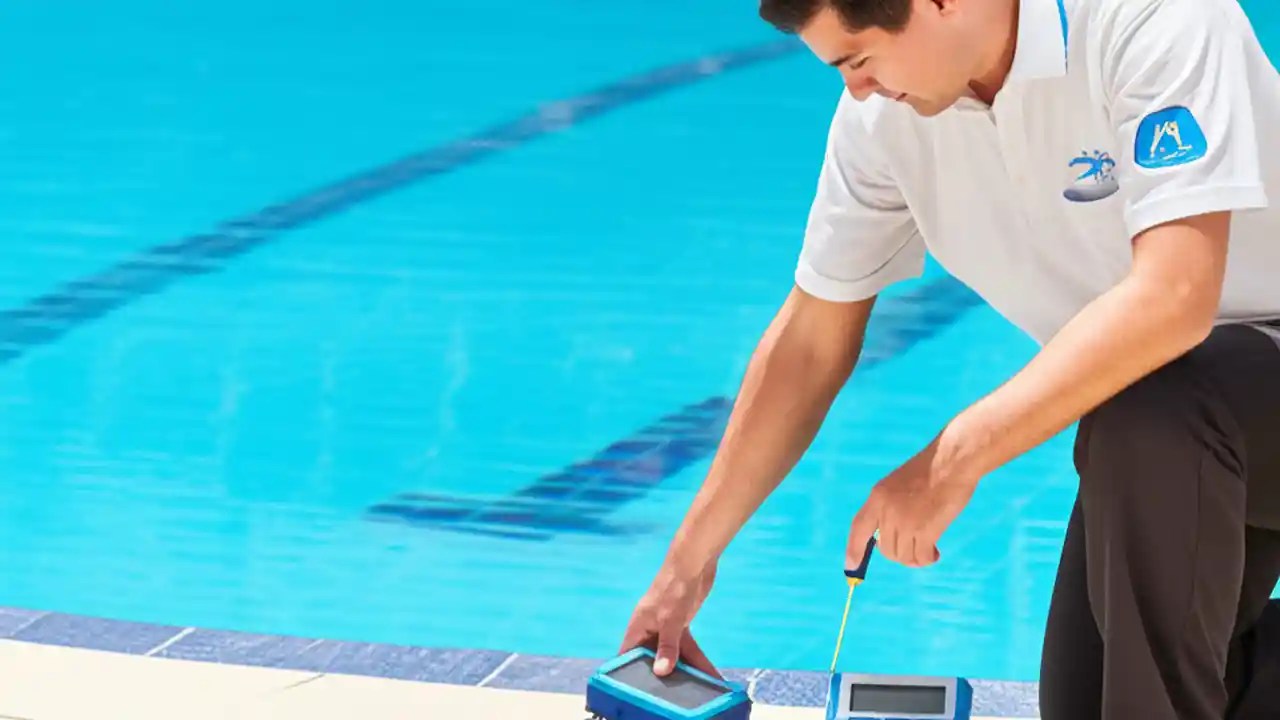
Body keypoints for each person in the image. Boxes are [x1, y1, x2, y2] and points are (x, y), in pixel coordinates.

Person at [617, 0, 1280, 718]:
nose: (857, 89)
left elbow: (1175, 297)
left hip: (1199, 403)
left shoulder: (1151, 18)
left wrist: (954, 457)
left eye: (859, 59)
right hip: (1180, 432)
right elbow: (811, 340)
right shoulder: (884, 122)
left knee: (1153, 403)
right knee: (1091, 703)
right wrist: (686, 565)